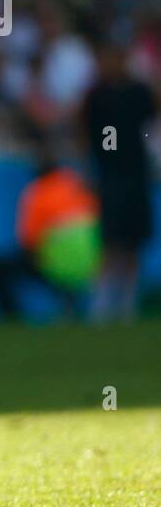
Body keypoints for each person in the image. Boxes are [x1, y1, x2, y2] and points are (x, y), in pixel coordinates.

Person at [82, 42, 158, 321]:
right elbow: (86, 134)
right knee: (111, 240)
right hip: (110, 174)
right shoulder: (96, 95)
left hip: (135, 172)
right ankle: (101, 303)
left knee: (134, 239)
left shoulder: (139, 92)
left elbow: (151, 126)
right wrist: (89, 168)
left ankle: (127, 303)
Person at [0, 149, 100, 319]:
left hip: (56, 266)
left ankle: (12, 320)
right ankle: (69, 298)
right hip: (94, 265)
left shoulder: (37, 192)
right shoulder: (79, 185)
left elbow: (28, 241)